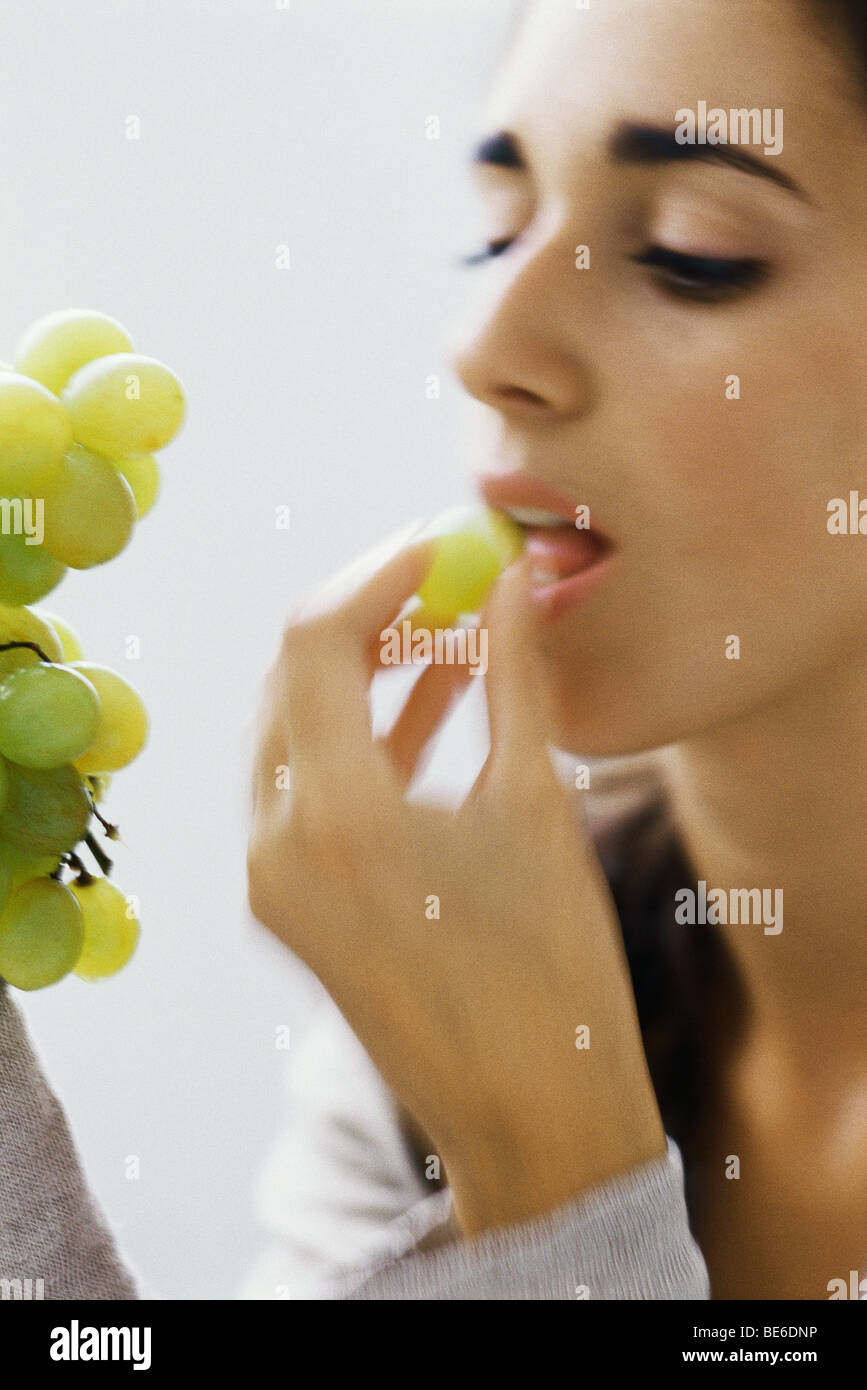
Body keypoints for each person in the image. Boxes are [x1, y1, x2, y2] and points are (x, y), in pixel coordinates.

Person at [1, 0, 865, 1301]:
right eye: (497, 229)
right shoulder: (469, 977)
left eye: (693, 252)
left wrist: (556, 1177)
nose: (483, 348)